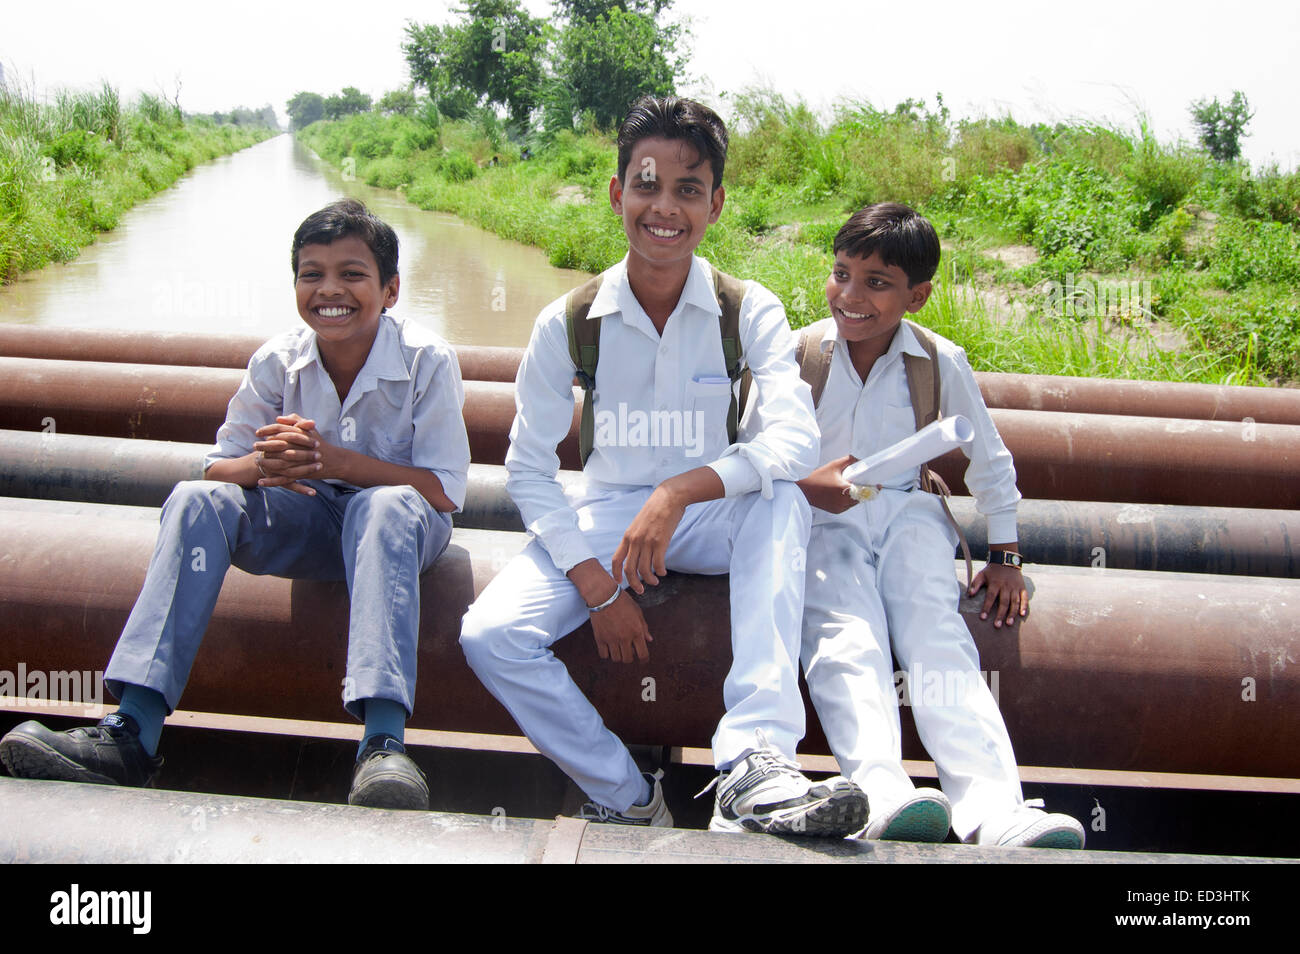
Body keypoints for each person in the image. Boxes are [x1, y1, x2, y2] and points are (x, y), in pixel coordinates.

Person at [459, 96, 868, 835]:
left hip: (712, 512)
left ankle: (755, 760)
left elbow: (793, 443)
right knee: (490, 635)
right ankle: (623, 791)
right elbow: (526, 469)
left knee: (782, 500)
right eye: (646, 184)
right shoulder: (568, 323)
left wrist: (682, 490)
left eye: (688, 189)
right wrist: (593, 583)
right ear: (618, 193)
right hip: (609, 514)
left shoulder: (750, 311)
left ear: (716, 203)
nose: (665, 207)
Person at [0, 199, 471, 811]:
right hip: (308, 516)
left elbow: (444, 490)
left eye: (353, 274)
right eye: (312, 274)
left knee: (378, 509)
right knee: (198, 501)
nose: (331, 289)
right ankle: (132, 731)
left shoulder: (427, 360)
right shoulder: (278, 360)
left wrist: (336, 462)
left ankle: (383, 744)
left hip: (403, 527)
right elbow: (217, 465)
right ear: (296, 285)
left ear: (390, 290)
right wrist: (263, 466)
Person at [795, 202, 1085, 848]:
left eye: (877, 283)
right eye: (842, 273)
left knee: (936, 631)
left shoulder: (936, 360)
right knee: (844, 634)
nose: (851, 295)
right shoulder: (802, 355)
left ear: (917, 296)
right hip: (826, 518)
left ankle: (993, 808)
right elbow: (754, 454)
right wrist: (801, 488)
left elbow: (990, 457)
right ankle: (881, 793)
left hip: (908, 513)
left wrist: (1005, 557)